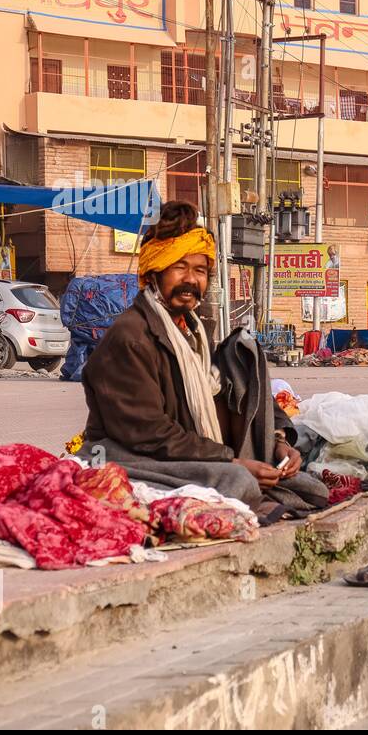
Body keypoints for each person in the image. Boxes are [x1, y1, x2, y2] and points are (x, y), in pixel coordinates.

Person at [81, 202, 329, 516]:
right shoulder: (130, 337)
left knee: (308, 486)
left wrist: (277, 441)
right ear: (155, 272)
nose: (191, 280)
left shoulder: (192, 332)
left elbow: (227, 397)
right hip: (125, 455)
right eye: (179, 267)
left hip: (190, 452)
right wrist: (229, 460)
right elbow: (149, 433)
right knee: (238, 480)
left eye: (199, 270)